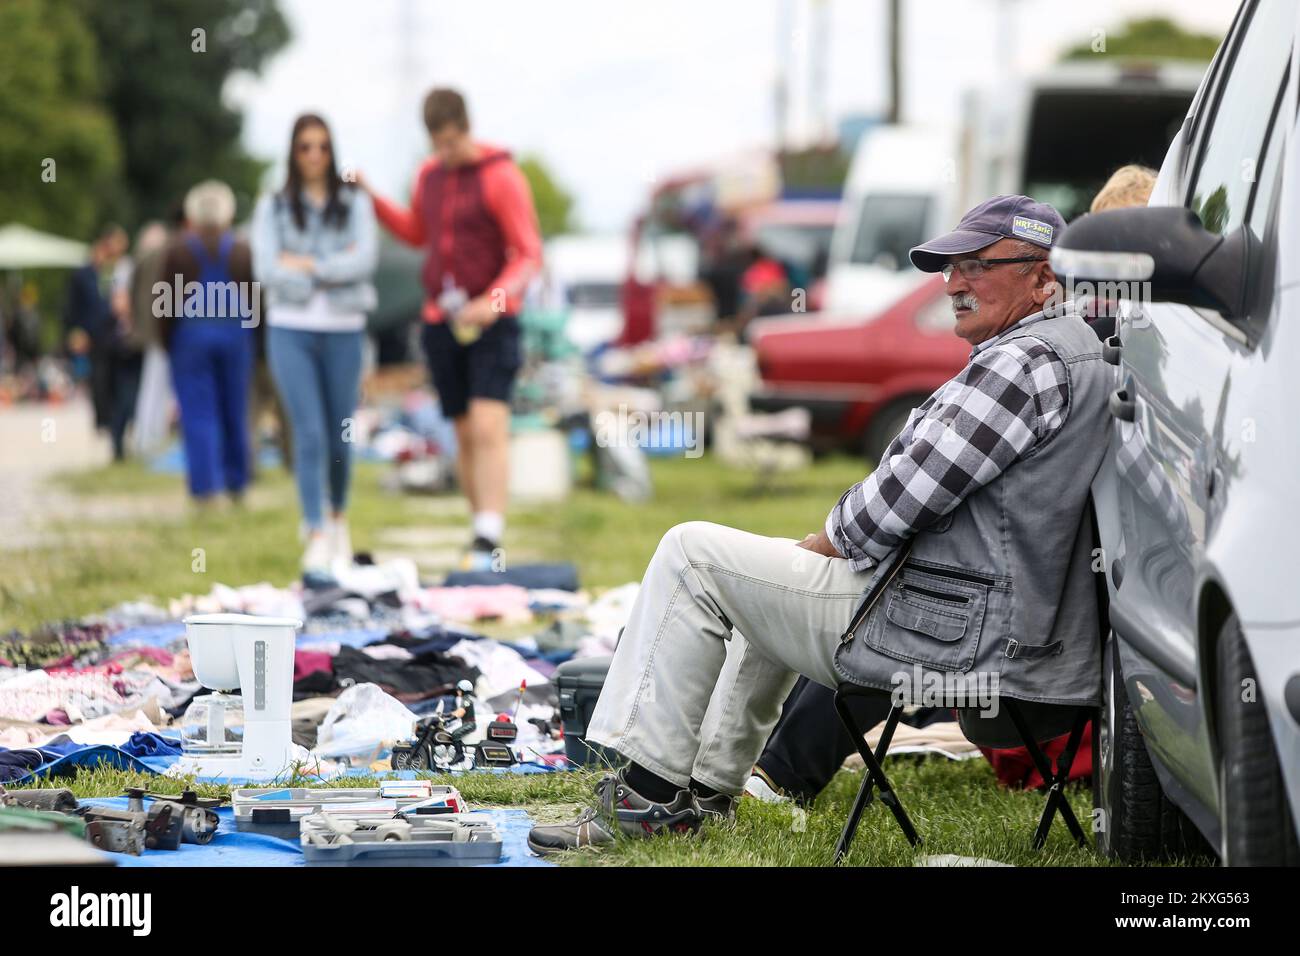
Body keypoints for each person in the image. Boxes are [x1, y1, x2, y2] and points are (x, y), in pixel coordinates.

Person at [527, 195, 1111, 854]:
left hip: (957, 640)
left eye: (977, 266)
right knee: (760, 567)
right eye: (950, 267)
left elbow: (893, 504)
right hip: (1011, 640)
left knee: (689, 553)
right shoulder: (1076, 349)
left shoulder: (1025, 361)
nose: (953, 283)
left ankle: (647, 795)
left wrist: (830, 537)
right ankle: (708, 792)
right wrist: (828, 543)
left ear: (1043, 276)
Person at [357, 87, 542, 570]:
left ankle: (490, 534)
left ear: (467, 128)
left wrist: (493, 302)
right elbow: (418, 233)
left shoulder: (502, 176)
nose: (447, 153)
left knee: (488, 425)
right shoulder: (427, 177)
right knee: (461, 430)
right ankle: (478, 526)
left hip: (495, 321)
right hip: (442, 320)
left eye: (453, 143)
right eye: (438, 145)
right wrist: (374, 199)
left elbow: (528, 254)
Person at [252, 113, 377, 576]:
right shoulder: (274, 206)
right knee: (307, 432)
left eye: (322, 146)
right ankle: (314, 528)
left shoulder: (354, 201)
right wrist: (330, 267)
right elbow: (267, 268)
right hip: (291, 327)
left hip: (345, 328)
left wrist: (306, 264)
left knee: (341, 431)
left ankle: (339, 516)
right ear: (293, 152)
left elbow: (364, 260)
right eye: (305, 147)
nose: (314, 156)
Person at [160, 180, 256, 505]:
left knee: (199, 414)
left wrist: (166, 343)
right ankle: (237, 483)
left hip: (191, 340)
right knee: (235, 410)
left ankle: (205, 489)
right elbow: (256, 303)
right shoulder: (242, 250)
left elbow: (166, 306)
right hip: (235, 339)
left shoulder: (178, 250)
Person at [64, 225, 126, 427]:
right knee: (98, 378)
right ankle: (104, 420)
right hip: (91, 333)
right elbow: (73, 306)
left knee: (111, 378)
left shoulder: (110, 272)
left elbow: (110, 302)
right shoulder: (83, 274)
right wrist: (75, 331)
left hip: (111, 333)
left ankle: (112, 418)